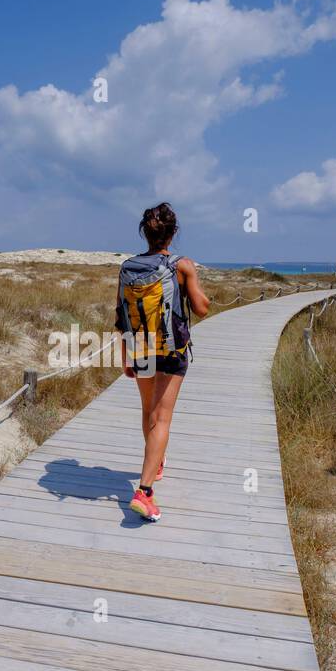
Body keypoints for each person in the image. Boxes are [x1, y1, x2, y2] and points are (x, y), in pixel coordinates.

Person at [115, 203, 209, 522]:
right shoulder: (181, 265)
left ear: (146, 232)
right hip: (170, 348)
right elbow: (201, 309)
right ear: (173, 232)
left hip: (140, 344)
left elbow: (121, 316)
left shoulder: (128, 266)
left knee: (147, 411)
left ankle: (156, 463)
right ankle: (144, 491)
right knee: (162, 417)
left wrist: (126, 354)